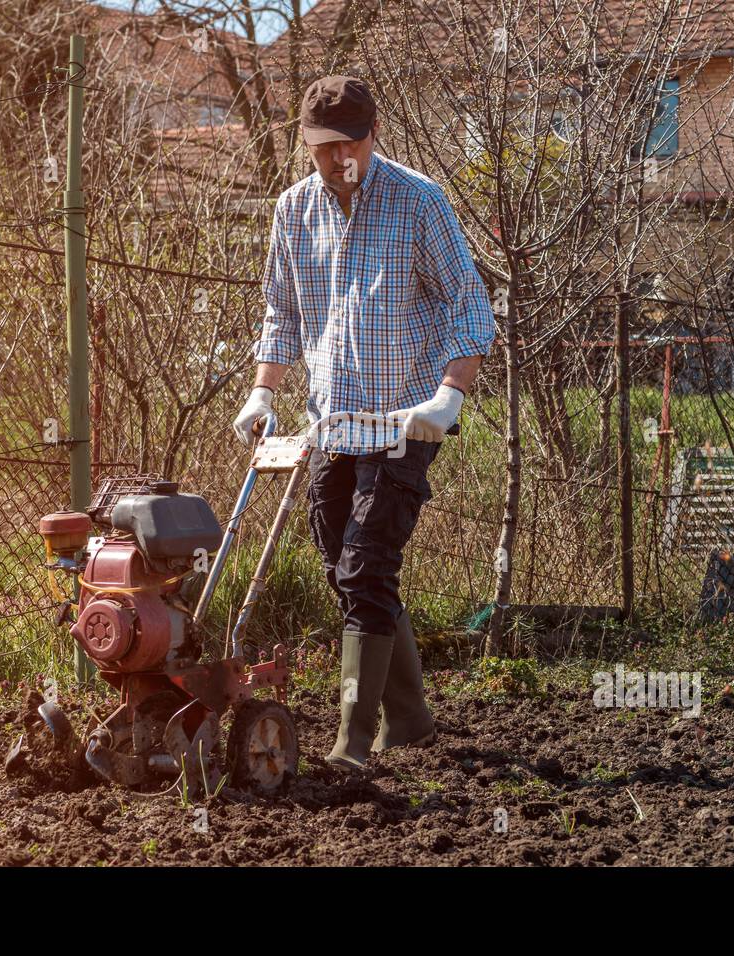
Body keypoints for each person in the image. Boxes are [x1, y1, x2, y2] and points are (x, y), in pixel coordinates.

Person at [233, 75, 495, 771]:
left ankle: (354, 738)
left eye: (349, 143)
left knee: (366, 563)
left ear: (374, 135)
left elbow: (468, 304)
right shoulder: (292, 212)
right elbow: (281, 313)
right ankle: (409, 719)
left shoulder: (419, 202)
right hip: (332, 422)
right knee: (345, 569)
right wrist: (263, 393)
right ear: (306, 145)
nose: (337, 159)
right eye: (322, 147)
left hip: (407, 418)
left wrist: (450, 396)